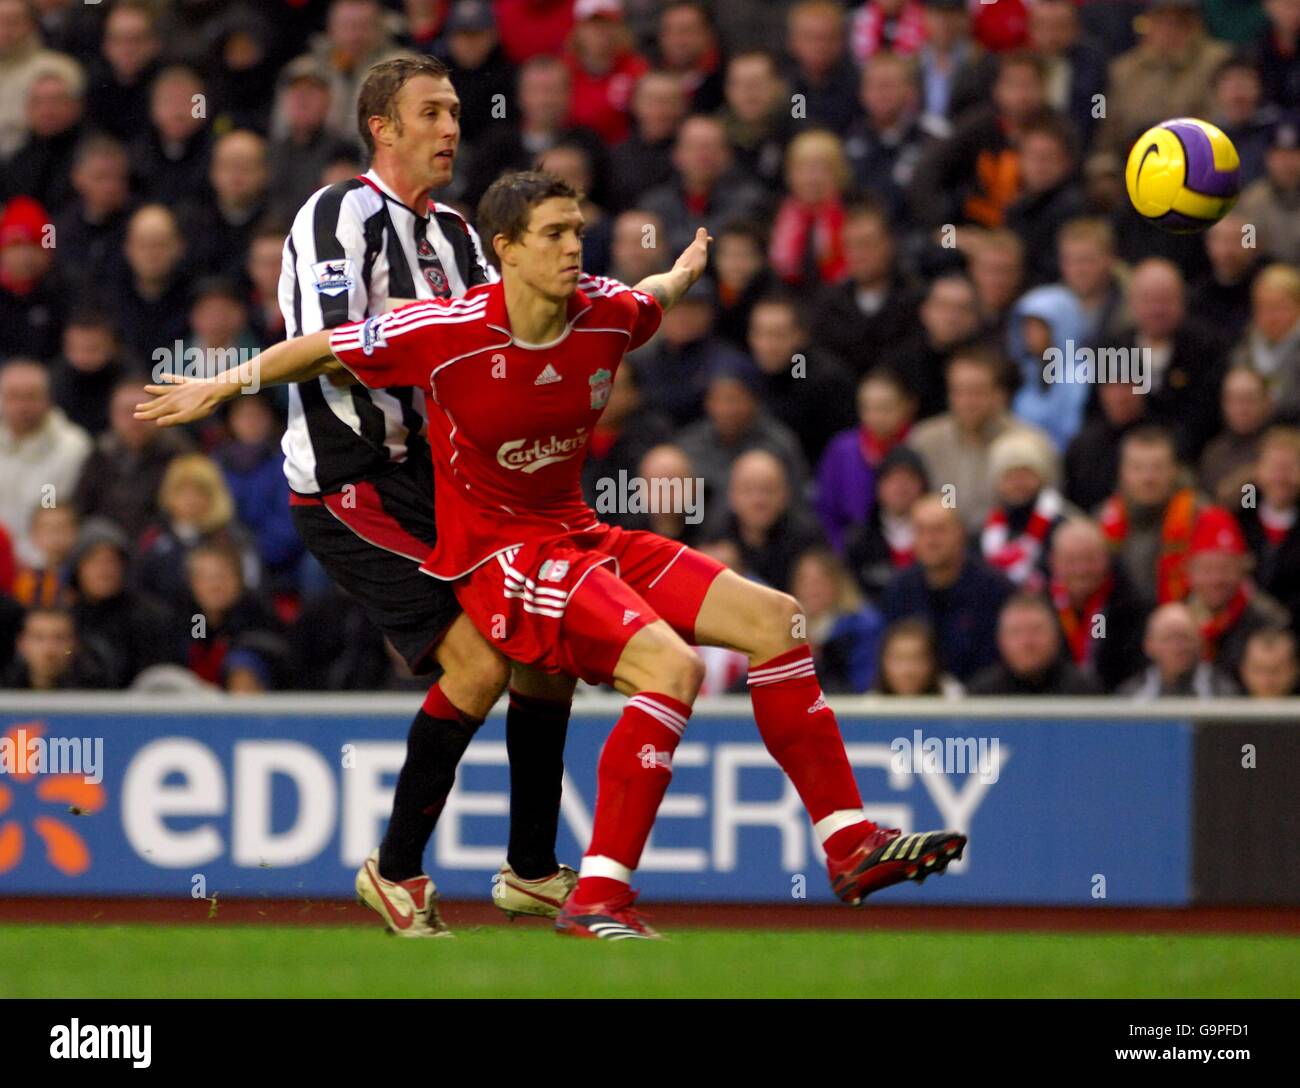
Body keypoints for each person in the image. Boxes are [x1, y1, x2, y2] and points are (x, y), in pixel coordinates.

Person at [140, 170, 966, 940]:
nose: (575, 247)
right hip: (502, 561)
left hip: (582, 535)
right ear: (506, 249)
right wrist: (221, 383)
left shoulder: (605, 312)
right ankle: (599, 895)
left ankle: (850, 843)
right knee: (669, 669)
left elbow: (653, 297)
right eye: (555, 233)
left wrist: (683, 272)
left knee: (778, 619)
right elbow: (320, 349)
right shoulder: (448, 330)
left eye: (578, 231)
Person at [150, 57, 584, 937]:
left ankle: (533, 869)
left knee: (546, 646)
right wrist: (230, 383)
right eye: (430, 113)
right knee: (480, 663)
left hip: (447, 477)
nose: (450, 128)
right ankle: (396, 873)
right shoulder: (334, 215)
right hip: (349, 483)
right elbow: (333, 343)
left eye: (457, 112)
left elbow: (493, 346)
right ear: (382, 128)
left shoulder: (462, 234)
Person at [878, 492, 1013, 680]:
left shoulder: (995, 589)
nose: (930, 540)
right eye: (921, 530)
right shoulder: (899, 589)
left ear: (960, 533)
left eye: (939, 530)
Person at [1047, 517, 1148, 692]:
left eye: (1089, 559)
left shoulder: (1132, 607)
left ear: (1106, 558)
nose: (1081, 569)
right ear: (1054, 562)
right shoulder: (1041, 608)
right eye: (1071, 560)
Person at [966, 593, 1103, 696]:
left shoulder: (1085, 694)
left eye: (1036, 630)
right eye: (1016, 633)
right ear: (1001, 640)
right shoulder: (980, 696)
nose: (1027, 643)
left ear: (1056, 637)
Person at [1118, 602, 1239, 698]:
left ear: (1200, 642)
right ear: (1149, 645)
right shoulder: (1132, 696)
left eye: (1185, 637)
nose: (1177, 648)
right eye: (1168, 639)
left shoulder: (1222, 694)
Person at [869, 617, 963, 696]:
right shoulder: (867, 709)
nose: (908, 671)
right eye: (899, 659)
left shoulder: (956, 702)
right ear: (883, 662)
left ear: (933, 662)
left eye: (917, 659)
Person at [1239, 626, 1299, 697]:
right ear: (1243, 669)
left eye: (1276, 671)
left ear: (1295, 669)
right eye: (1258, 670)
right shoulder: (1224, 700)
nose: (1267, 681)